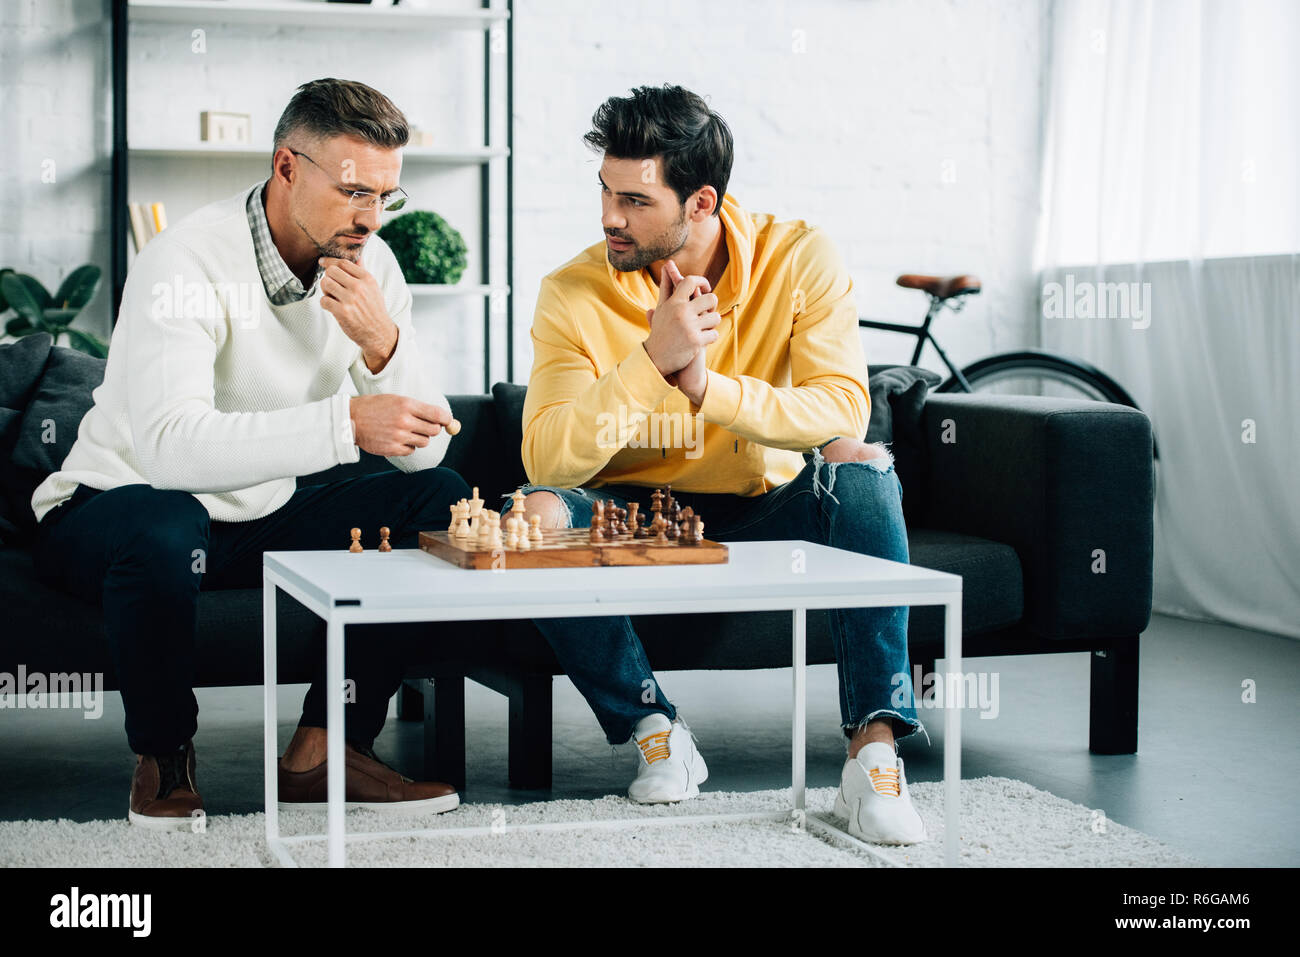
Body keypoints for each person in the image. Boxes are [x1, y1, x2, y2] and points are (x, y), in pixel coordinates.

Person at [30, 78, 466, 829]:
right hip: (115, 504)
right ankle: (164, 756)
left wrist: (382, 343)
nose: (370, 218)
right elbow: (168, 450)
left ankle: (324, 750)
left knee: (440, 498)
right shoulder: (184, 262)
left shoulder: (375, 268)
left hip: (257, 508)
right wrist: (344, 425)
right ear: (287, 167)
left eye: (385, 197)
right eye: (354, 191)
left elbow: (422, 461)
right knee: (165, 522)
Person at [511, 85, 927, 844]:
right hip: (630, 513)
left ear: (700, 202)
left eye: (635, 199)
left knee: (862, 463)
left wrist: (708, 387)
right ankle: (652, 727)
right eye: (605, 191)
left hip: (764, 508)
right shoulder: (570, 291)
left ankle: (873, 756)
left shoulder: (798, 256)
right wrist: (651, 362)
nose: (610, 216)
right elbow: (547, 454)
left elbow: (843, 408)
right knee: (533, 515)